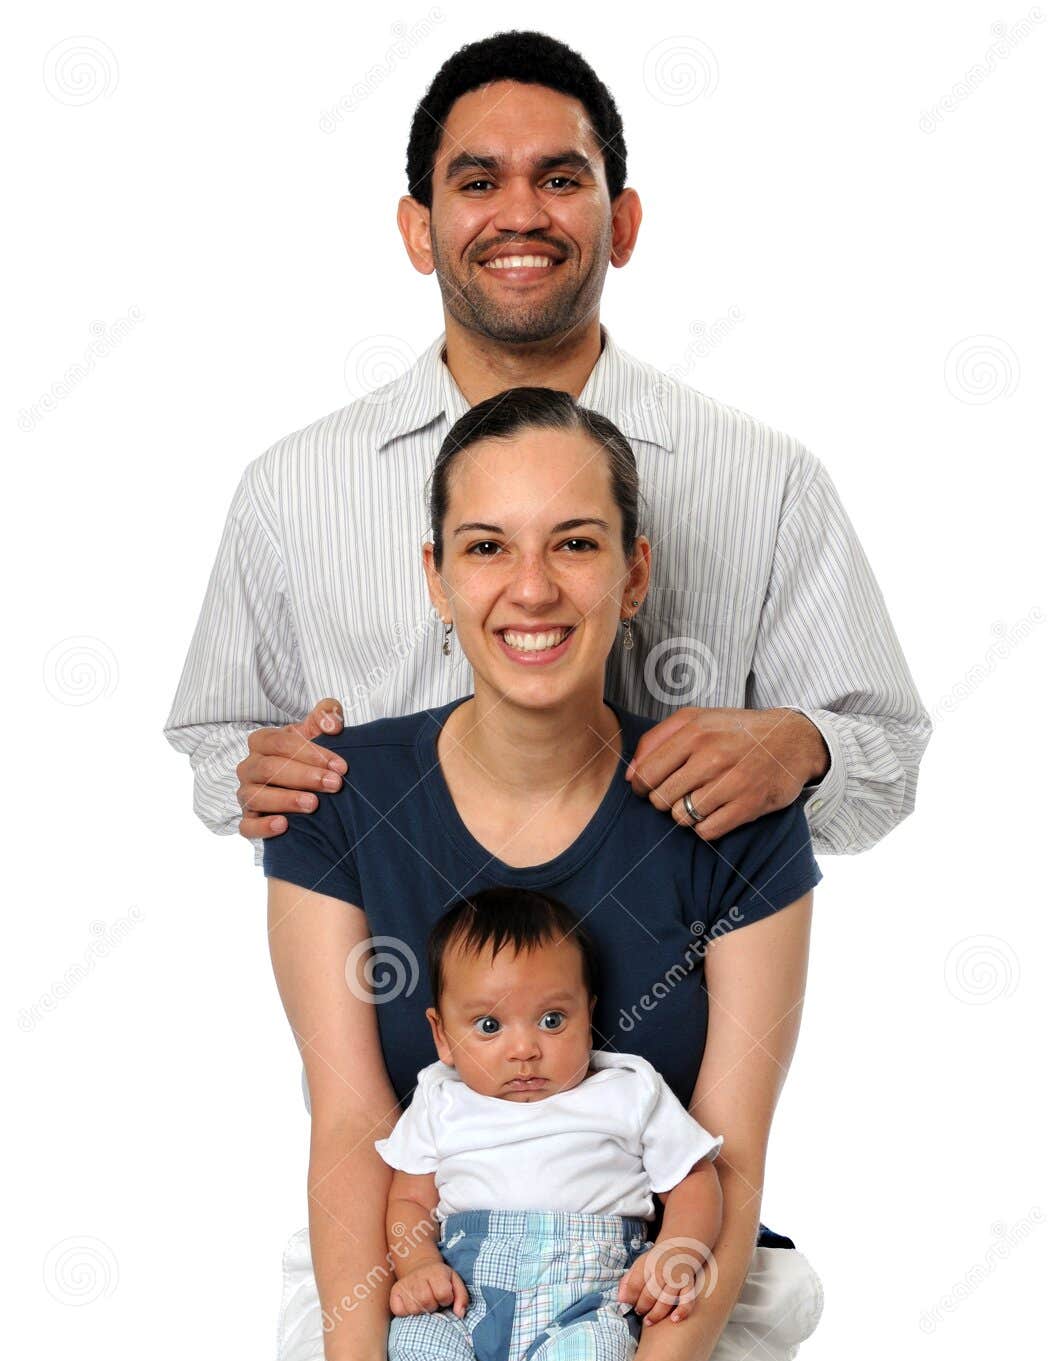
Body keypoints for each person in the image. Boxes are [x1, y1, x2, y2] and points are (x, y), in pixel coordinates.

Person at [248, 383, 824, 1361]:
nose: (531, 588)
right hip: (404, 1274)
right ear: (434, 577)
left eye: (574, 543)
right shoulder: (335, 798)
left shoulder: (732, 812)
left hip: (666, 1289)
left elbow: (728, 1151)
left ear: (634, 571)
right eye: (485, 547)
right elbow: (353, 1123)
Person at [164, 30, 930, 868]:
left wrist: (805, 748)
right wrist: (250, 774)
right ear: (418, 231)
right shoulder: (291, 486)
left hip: (675, 947)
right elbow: (218, 741)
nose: (521, 214)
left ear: (622, 224)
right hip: (384, 947)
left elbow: (887, 762)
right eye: (478, 182)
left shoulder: (769, 479)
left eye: (560, 180)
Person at [377, 885, 726, 1361]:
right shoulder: (440, 1099)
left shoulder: (627, 1089)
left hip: (584, 1299)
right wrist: (418, 1264)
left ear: (589, 1012)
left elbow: (695, 1181)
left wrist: (677, 1249)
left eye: (553, 1020)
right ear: (442, 1035)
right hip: (468, 1294)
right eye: (488, 1026)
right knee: (415, 1341)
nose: (525, 1049)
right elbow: (408, 1201)